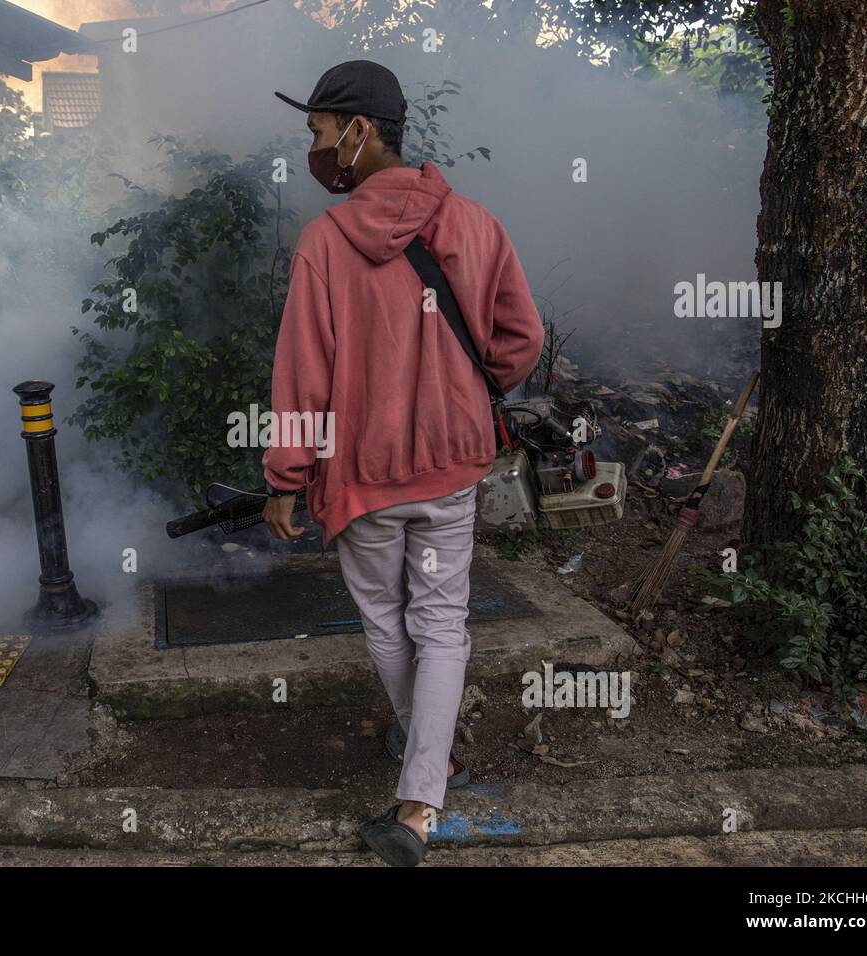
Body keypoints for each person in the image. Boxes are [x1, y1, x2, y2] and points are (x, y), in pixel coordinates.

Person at [262, 60, 544, 866]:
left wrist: (286, 476)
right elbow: (521, 340)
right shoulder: (477, 224)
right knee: (442, 623)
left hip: (364, 473)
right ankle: (421, 803)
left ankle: (431, 762)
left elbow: (302, 373)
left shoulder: (323, 243)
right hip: (454, 465)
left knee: (387, 622)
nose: (314, 148)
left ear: (359, 130)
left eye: (319, 132)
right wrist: (460, 389)